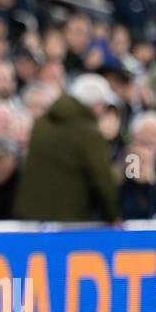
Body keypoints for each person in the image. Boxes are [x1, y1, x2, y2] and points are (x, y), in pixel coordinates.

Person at [13, 74, 121, 224]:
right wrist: (113, 217)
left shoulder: (42, 123)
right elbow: (102, 179)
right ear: (96, 104)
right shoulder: (88, 133)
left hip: (30, 216)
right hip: (69, 220)